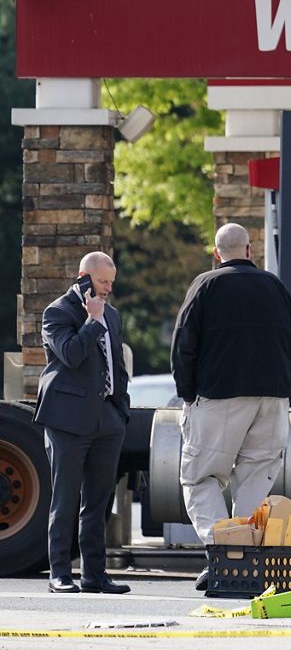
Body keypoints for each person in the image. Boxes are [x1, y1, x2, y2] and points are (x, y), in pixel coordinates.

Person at [171, 223, 291, 592]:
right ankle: (243, 564)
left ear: (217, 254)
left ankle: (224, 557)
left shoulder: (204, 285)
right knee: (253, 481)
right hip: (273, 400)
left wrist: (187, 393)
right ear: (250, 250)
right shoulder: (276, 288)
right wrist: (288, 390)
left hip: (219, 398)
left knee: (200, 478)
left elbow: (184, 345)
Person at [35, 251, 132, 594]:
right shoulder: (57, 312)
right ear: (83, 277)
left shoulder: (114, 316)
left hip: (107, 419)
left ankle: (95, 575)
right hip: (68, 421)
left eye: (111, 283)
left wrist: (121, 410)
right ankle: (59, 573)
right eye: (103, 282)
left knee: (98, 502)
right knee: (65, 500)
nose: (108, 289)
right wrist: (92, 321)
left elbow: (117, 365)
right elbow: (72, 354)